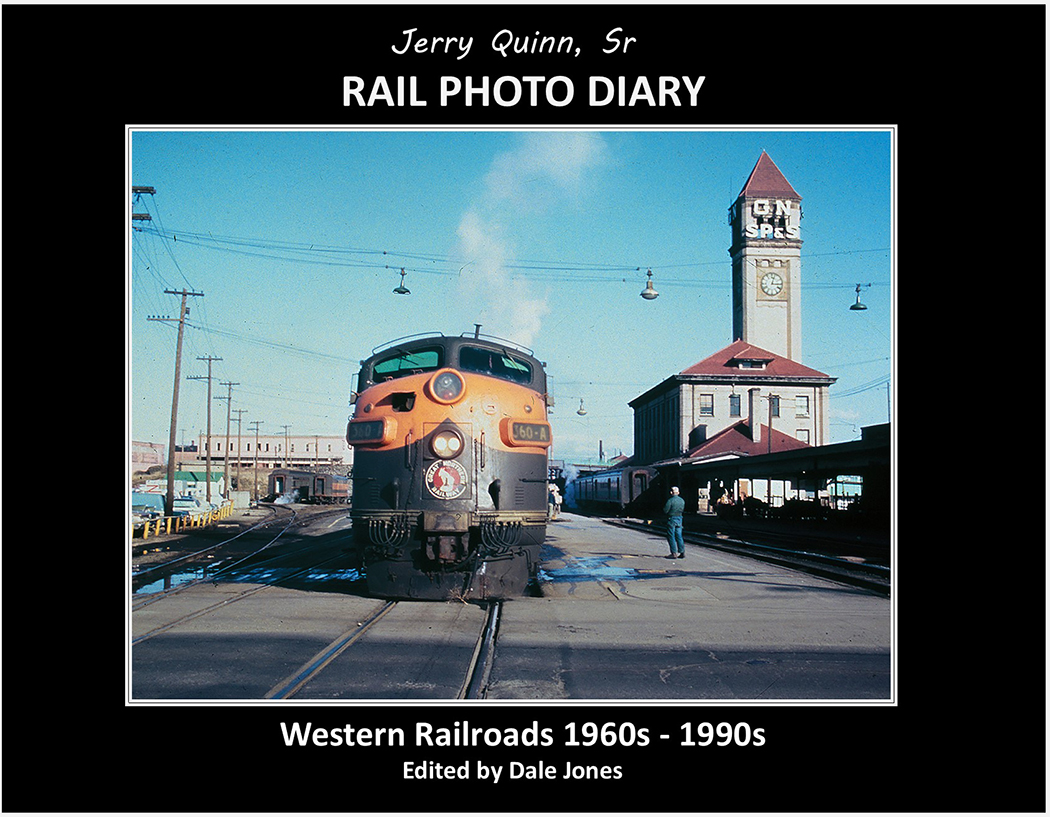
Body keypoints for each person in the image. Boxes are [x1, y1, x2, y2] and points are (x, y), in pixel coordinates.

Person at [663, 486, 686, 559]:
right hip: (680, 518)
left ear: (671, 492)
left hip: (672, 518)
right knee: (679, 535)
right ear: (678, 493)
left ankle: (673, 553)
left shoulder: (670, 501)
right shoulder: (682, 500)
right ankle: (682, 552)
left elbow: (665, 510)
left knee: (671, 536)